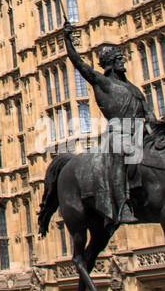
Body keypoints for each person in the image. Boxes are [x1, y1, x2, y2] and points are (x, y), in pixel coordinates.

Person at [62, 18, 152, 228]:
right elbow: (79, 64)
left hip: (140, 133)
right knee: (121, 155)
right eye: (119, 58)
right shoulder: (103, 82)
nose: (123, 61)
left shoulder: (134, 90)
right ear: (111, 63)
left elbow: (148, 112)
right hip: (119, 135)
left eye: (123, 57)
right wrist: (67, 40)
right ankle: (123, 205)